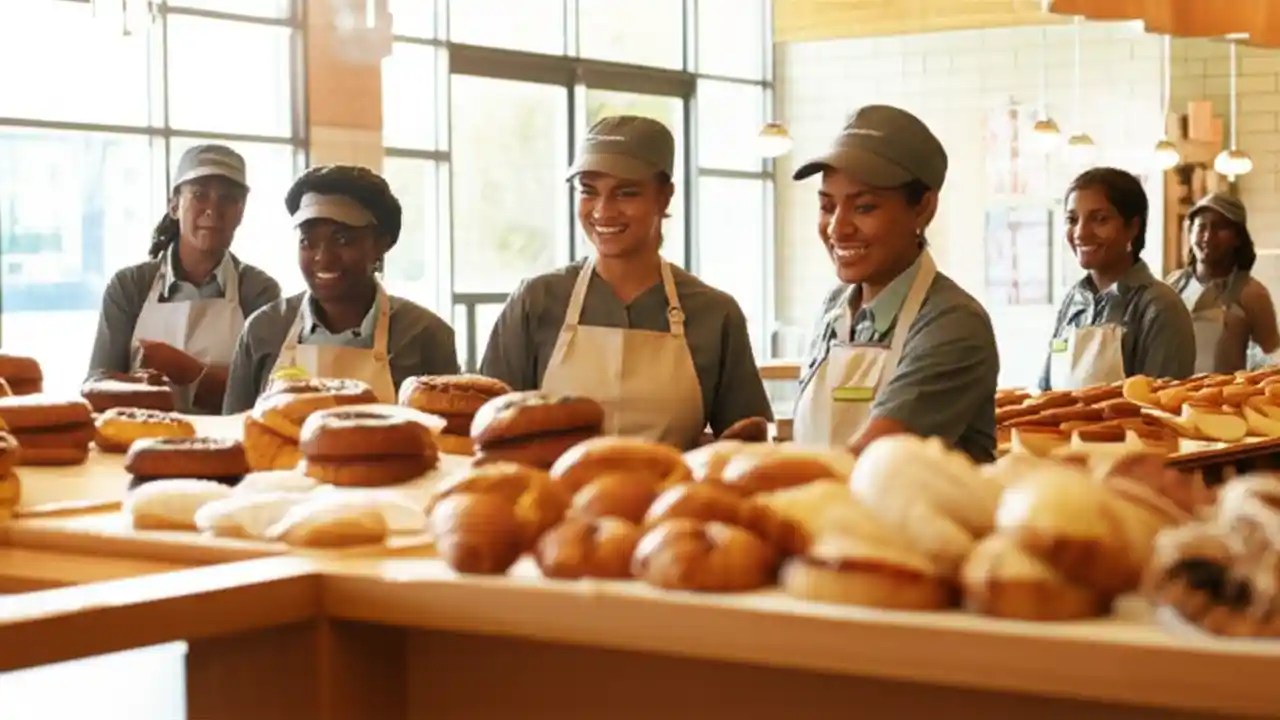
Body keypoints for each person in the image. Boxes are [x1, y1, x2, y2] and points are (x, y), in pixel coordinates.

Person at [479, 115, 773, 450]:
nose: (603, 211)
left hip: (671, 499)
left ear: (664, 198)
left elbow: (747, 446)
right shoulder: (535, 301)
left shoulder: (715, 314)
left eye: (626, 193)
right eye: (588, 191)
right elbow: (487, 432)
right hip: (550, 500)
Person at [790, 104, 999, 462]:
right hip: (825, 511)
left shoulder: (952, 323)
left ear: (923, 208)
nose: (838, 228)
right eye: (827, 206)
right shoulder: (834, 310)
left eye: (864, 207)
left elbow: (873, 458)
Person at [222, 164, 459, 413]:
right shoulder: (264, 330)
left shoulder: (425, 335)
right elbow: (235, 434)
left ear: (381, 245)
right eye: (307, 242)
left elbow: (450, 440)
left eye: (342, 239)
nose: (323, 257)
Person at [86, 144, 281, 413]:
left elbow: (268, 395)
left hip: (226, 448)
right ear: (175, 205)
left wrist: (187, 371)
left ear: (241, 212)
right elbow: (96, 386)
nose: (212, 209)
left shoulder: (258, 291)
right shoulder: (130, 286)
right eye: (200, 195)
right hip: (139, 444)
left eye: (227, 198)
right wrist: (209, 383)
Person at [1041, 168, 1195, 390]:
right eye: (1072, 219)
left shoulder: (1160, 306)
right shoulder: (1073, 301)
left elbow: (1161, 410)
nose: (1081, 233)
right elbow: (1046, 392)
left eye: (1100, 219)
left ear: (1133, 226)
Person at [1165, 192, 1279, 373]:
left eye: (1219, 228)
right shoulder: (1174, 284)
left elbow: (1273, 356)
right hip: (1169, 396)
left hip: (1219, 399)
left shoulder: (1252, 293)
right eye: (1201, 227)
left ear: (1238, 238)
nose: (1208, 236)